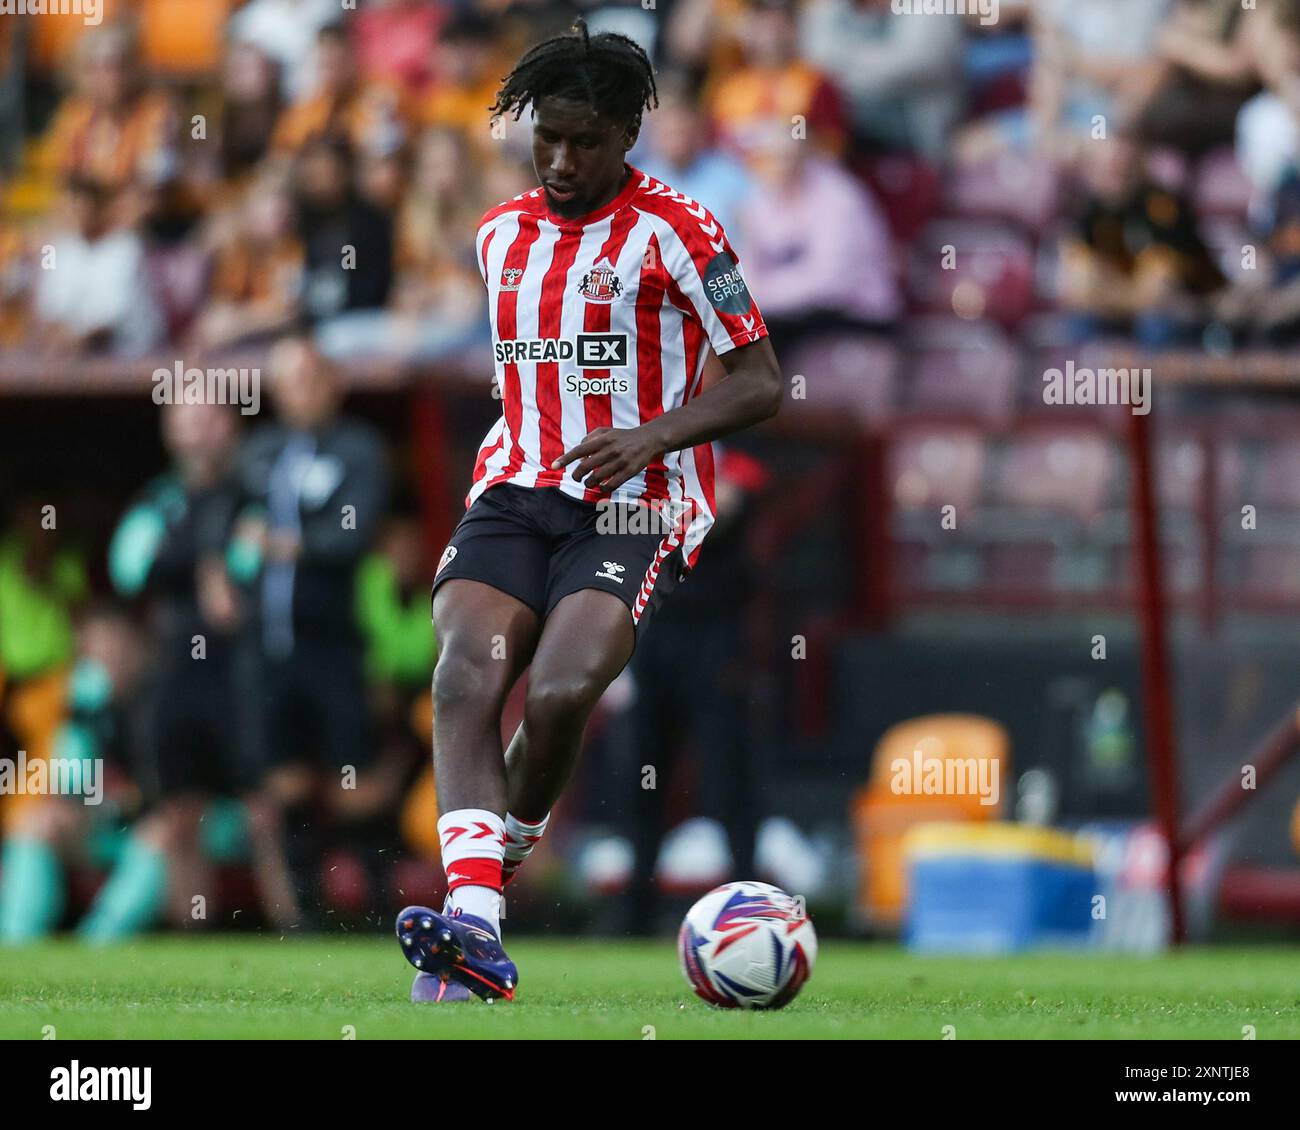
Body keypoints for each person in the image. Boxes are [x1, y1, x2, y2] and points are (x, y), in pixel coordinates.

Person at [393, 18, 783, 1004]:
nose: (562, 159)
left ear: (626, 137)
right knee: (466, 666)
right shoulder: (499, 236)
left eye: (585, 141)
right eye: (547, 138)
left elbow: (760, 381)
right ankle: (475, 921)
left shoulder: (682, 230)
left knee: (564, 692)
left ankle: (497, 864)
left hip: (632, 502)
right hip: (517, 488)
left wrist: (652, 436)